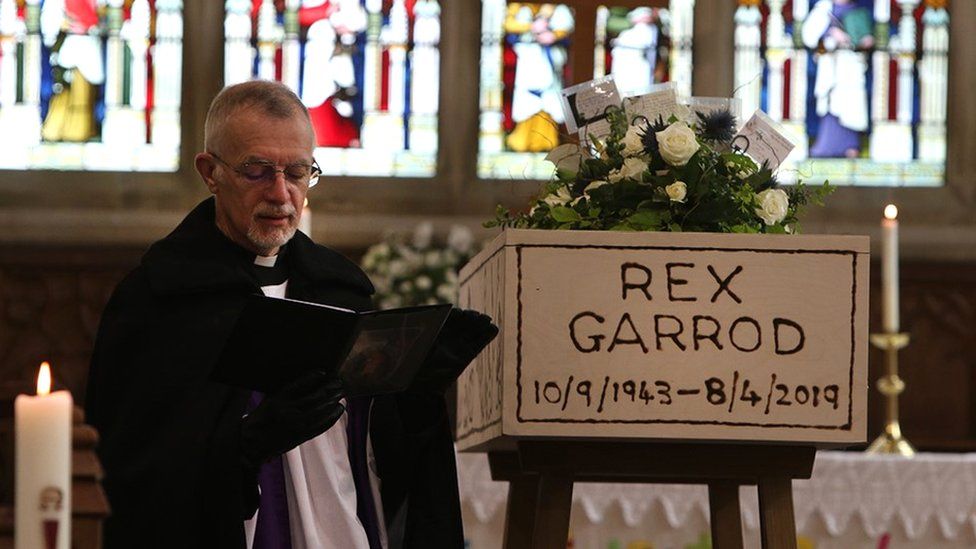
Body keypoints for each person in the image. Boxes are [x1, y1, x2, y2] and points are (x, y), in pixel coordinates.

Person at [85, 80, 497, 548]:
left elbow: (382, 464)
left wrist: (419, 393)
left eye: (298, 172)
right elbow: (133, 473)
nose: (281, 195)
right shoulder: (160, 298)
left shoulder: (341, 289)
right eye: (257, 171)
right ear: (210, 172)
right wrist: (244, 447)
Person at [803, 0, 875, 158]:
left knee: (851, 107)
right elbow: (809, 36)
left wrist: (865, 40)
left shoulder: (859, 11)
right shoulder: (824, 8)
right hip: (832, 66)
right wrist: (831, 33)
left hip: (851, 66)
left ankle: (851, 146)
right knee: (833, 106)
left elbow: (865, 36)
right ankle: (828, 147)